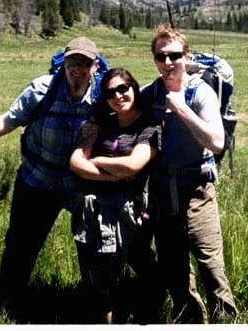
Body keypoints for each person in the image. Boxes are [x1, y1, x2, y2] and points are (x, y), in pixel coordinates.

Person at [0, 36, 103, 317]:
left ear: (94, 66)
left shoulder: (103, 95)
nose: (78, 69)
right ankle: (3, 306)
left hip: (82, 184)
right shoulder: (41, 90)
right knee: (20, 248)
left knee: (93, 248)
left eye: (84, 63)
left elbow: (132, 111)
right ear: (64, 63)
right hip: (38, 179)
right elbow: (6, 122)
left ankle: (93, 305)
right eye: (72, 62)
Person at [142, 24, 238, 323]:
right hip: (161, 191)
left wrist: (182, 109)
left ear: (186, 56)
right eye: (161, 56)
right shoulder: (150, 93)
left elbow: (217, 142)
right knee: (175, 268)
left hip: (197, 190)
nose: (167, 63)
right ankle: (190, 320)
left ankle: (227, 319)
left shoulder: (201, 93)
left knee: (211, 265)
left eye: (173, 56)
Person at [69, 68, 165, 324]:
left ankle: (150, 313)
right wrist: (111, 176)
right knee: (95, 277)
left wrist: (98, 160)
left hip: (126, 211)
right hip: (92, 209)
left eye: (123, 88)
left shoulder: (148, 127)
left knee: (131, 267)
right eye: (110, 92)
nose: (118, 96)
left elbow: (134, 165)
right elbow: (77, 162)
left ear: (134, 88)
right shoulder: (102, 123)